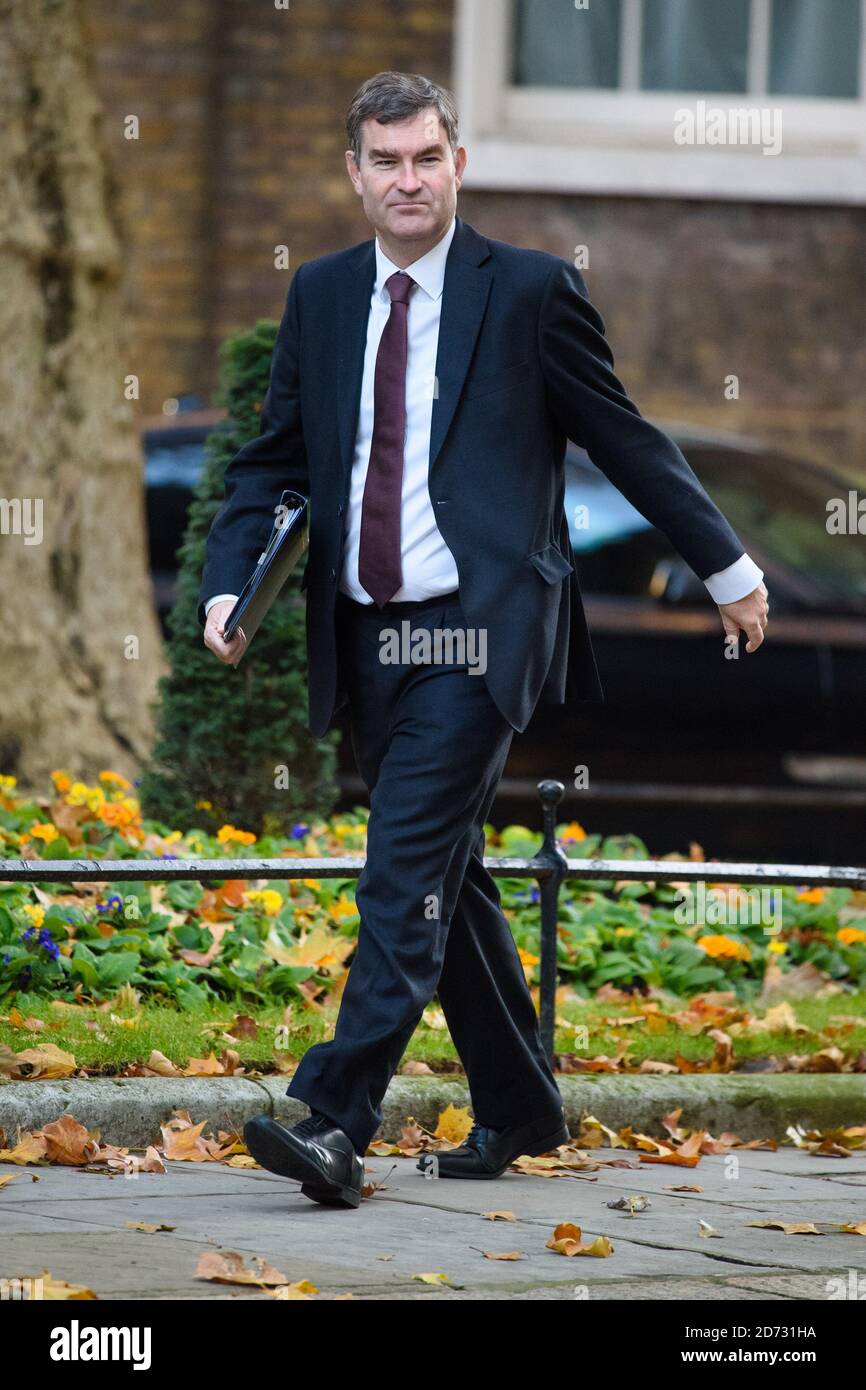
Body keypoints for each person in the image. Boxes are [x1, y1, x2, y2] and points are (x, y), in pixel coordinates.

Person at [199, 71, 769, 1210]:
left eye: (425, 157)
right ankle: (520, 1102)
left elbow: (620, 432)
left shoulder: (528, 292)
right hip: (362, 636)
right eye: (384, 161)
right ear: (353, 173)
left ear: (457, 163)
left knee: (400, 868)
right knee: (445, 881)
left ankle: (333, 1117)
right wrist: (228, 584)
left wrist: (725, 563)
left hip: (476, 634)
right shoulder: (316, 297)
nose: (406, 180)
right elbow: (270, 460)